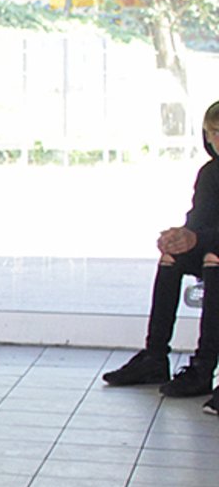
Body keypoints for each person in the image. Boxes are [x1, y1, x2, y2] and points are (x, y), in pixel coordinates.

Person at [101, 99, 219, 408]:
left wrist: (197, 238)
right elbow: (199, 220)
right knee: (171, 257)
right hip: (212, 242)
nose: (217, 140)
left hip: (215, 249)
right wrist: (179, 237)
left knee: (213, 258)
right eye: (212, 133)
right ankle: (155, 357)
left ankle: (204, 368)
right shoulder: (209, 173)